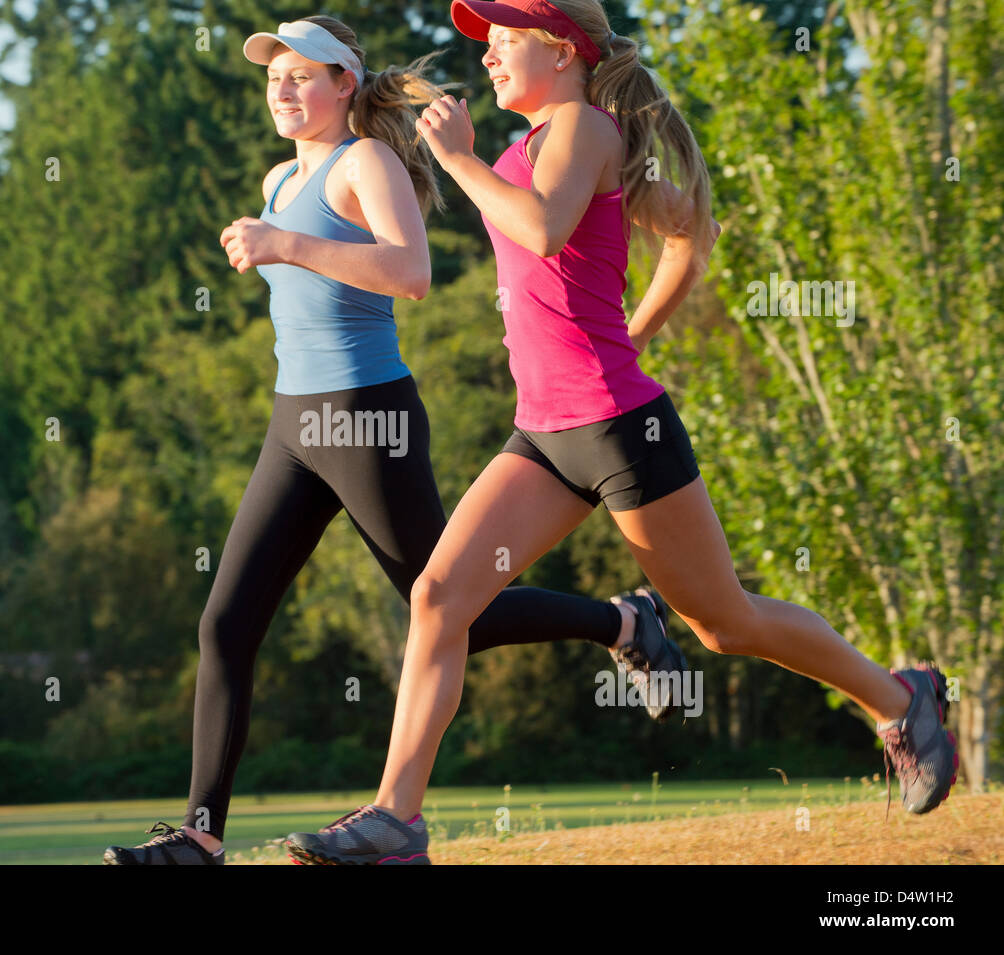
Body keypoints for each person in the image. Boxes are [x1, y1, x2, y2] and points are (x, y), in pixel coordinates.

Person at [286, 0, 958, 866]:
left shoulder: (583, 127)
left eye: (503, 42)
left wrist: (457, 162)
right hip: (544, 433)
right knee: (439, 598)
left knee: (722, 623)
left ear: (562, 51)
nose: (487, 59)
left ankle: (901, 699)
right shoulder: (538, 145)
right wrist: (617, 325)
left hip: (618, 427)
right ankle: (395, 822)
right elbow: (687, 228)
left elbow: (541, 227)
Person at [102, 13, 686, 866]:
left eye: (304, 74)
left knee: (447, 608)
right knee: (226, 621)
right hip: (293, 421)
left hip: (365, 414)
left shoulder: (367, 162)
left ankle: (620, 619)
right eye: (274, 76)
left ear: (345, 85)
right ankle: (200, 832)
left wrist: (284, 244)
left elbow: (410, 273)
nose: (285, 87)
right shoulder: (275, 179)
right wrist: (275, 234)